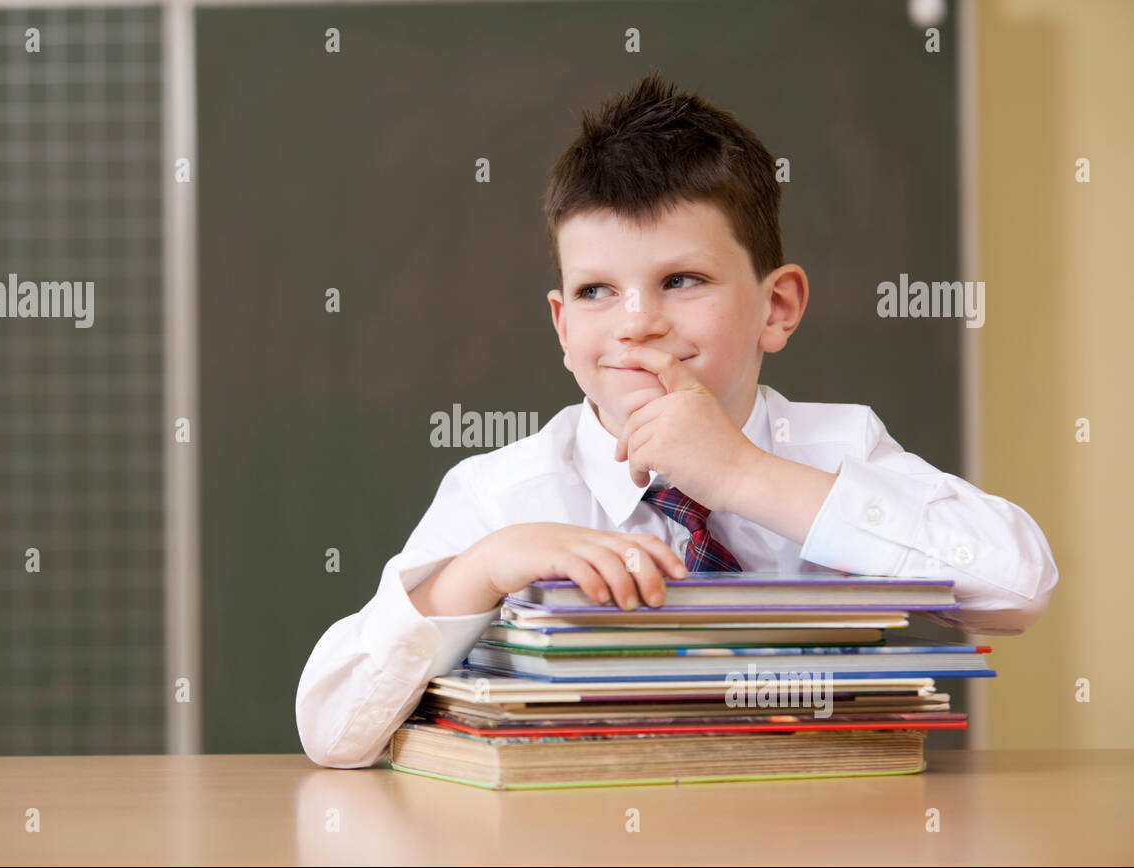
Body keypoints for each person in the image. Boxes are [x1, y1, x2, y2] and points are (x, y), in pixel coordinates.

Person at [295, 70, 1058, 769]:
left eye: (681, 280)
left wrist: (745, 477)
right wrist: (483, 567)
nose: (637, 324)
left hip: (815, 824)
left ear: (777, 306)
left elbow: (1018, 587)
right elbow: (333, 730)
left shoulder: (836, 447)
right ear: (562, 327)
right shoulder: (504, 495)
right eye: (596, 291)